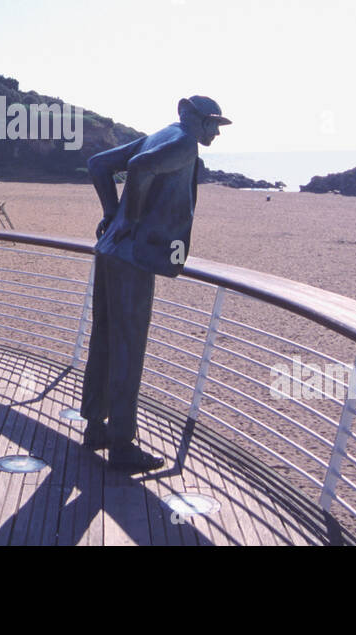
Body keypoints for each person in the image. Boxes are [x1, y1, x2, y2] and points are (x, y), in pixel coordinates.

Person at [80, 95, 230, 472]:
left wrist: (112, 214)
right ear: (194, 120)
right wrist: (128, 219)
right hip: (133, 257)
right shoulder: (182, 143)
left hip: (110, 250)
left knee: (104, 338)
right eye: (212, 123)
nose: (215, 131)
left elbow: (99, 165)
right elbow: (140, 168)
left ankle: (96, 426)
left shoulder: (160, 135)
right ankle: (122, 446)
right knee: (129, 347)